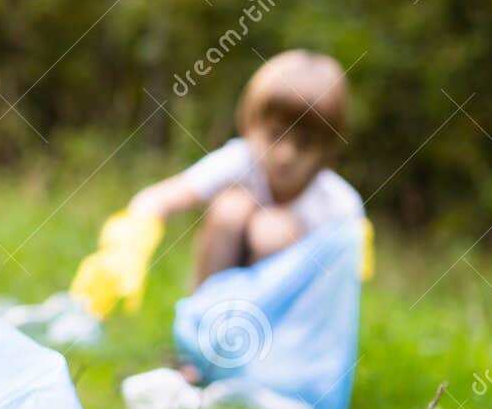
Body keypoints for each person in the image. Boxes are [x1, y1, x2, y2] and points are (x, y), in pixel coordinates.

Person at [130, 49, 362, 289]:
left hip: (287, 314)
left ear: (325, 150)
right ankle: (206, 314)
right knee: (230, 210)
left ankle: (252, 325)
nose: (286, 155)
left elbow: (344, 281)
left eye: (304, 144)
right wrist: (130, 243)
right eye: (275, 134)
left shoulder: (338, 204)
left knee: (273, 231)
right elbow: (156, 199)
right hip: (217, 297)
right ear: (251, 125)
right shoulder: (240, 159)